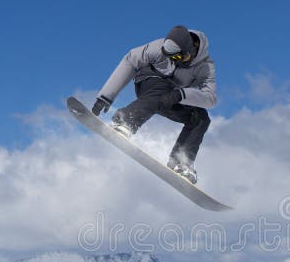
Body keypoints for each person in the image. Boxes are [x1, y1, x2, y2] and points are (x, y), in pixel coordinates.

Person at [91, 25, 217, 184]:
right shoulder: (158, 46)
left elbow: (210, 97)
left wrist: (181, 95)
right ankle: (126, 120)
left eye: (178, 58)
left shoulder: (206, 67)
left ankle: (181, 160)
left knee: (200, 118)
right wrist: (106, 96)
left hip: (174, 97)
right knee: (161, 88)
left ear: (191, 51)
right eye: (170, 57)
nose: (173, 61)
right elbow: (131, 60)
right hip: (149, 83)